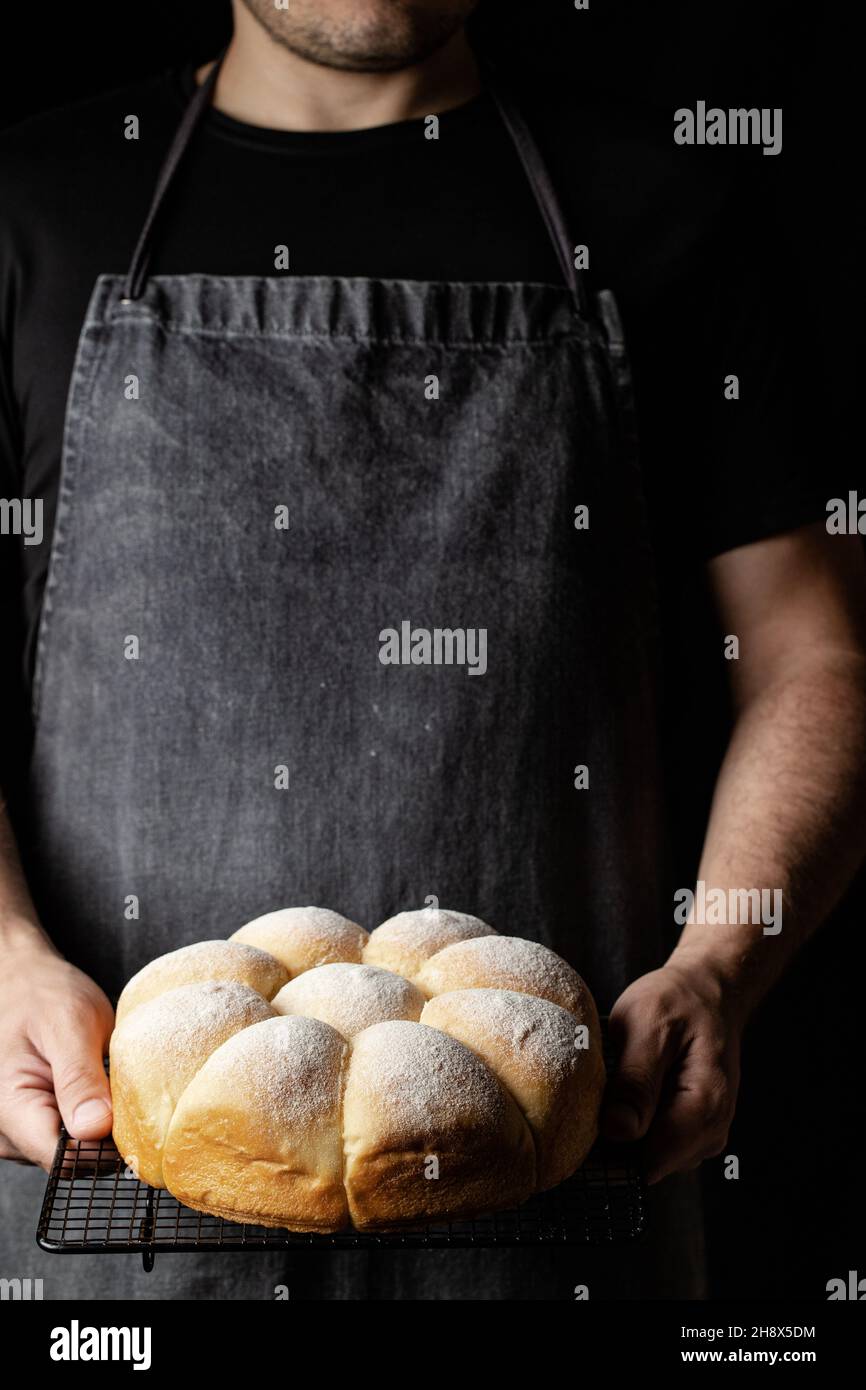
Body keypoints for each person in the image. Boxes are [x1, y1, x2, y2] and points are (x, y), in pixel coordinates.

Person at [0, 0, 864, 1301]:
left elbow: (812, 654)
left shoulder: (666, 205)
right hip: (108, 1216)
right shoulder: (34, 198)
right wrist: (2, 954)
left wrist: (717, 969)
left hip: (562, 1203)